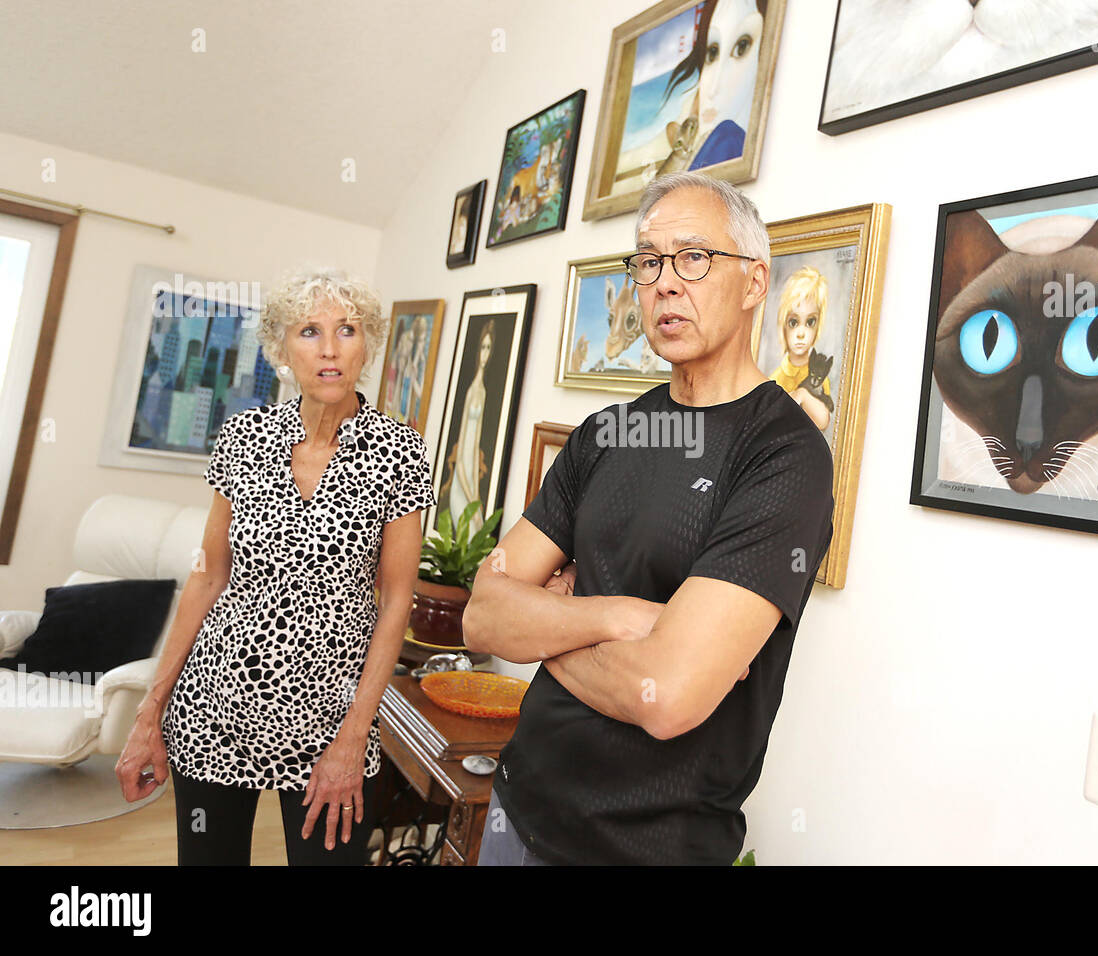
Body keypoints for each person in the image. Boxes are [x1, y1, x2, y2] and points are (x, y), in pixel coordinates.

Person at [463, 171, 834, 865]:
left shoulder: (784, 455)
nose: (665, 281)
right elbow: (484, 615)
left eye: (693, 257)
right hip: (517, 813)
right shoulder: (605, 434)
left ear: (755, 283)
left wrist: (548, 624)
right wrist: (621, 617)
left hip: (644, 850)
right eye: (648, 260)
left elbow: (667, 695)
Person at [115, 268, 434, 866]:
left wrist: (355, 734)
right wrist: (150, 710)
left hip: (330, 724)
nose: (331, 349)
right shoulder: (243, 437)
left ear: (369, 343)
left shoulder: (399, 450)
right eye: (310, 331)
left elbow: (396, 603)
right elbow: (208, 577)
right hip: (214, 707)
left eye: (348, 330)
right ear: (280, 349)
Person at [661, 0, 766, 171]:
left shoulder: (727, 137)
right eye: (712, 53)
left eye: (741, 47)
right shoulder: (717, 143)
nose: (713, 88)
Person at [439, 319, 494, 536]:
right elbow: (463, 445)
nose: (485, 353)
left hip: (471, 473)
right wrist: (468, 491)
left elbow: (476, 443)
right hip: (461, 475)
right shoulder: (472, 390)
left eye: (488, 348)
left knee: (473, 532)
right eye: (483, 347)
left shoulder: (483, 391)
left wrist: (475, 493)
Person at [768, 265, 833, 431]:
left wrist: (802, 395)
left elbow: (823, 421)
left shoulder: (818, 373)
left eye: (810, 322)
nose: (801, 334)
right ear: (783, 325)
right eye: (793, 323)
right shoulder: (776, 378)